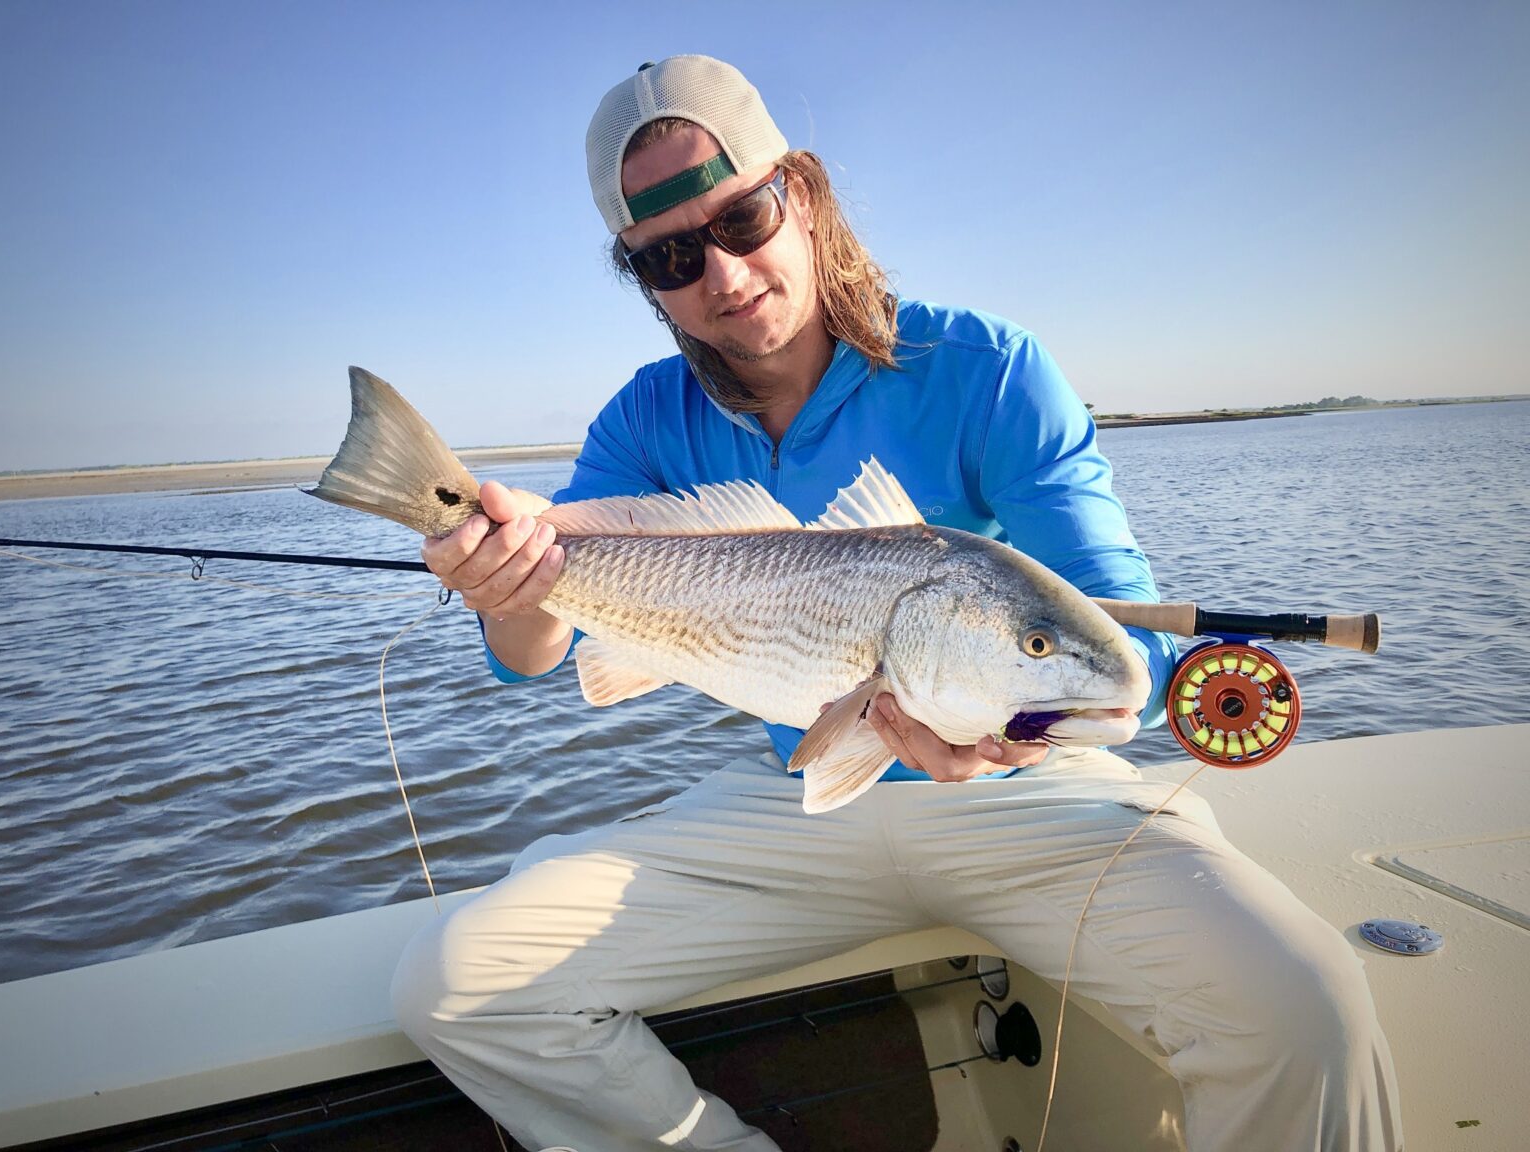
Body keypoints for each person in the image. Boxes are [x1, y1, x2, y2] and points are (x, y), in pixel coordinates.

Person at [391, 54, 1401, 1152]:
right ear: (644, 278)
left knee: (1308, 1010)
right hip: (799, 798)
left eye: (742, 220)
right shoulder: (643, 422)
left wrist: (1014, 739)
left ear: (806, 195)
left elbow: (1120, 643)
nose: (721, 276)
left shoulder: (992, 371)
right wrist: (504, 580)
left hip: (1032, 800)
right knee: (463, 983)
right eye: (673, 257)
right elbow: (535, 651)